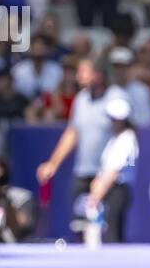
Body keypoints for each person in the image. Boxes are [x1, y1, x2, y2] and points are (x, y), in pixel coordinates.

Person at [36, 58, 129, 239]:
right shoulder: (81, 99)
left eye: (83, 71)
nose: (78, 77)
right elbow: (73, 132)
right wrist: (53, 163)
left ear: (99, 74)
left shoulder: (117, 97)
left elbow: (124, 137)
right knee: (80, 229)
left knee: (110, 233)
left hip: (111, 177)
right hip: (83, 173)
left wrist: (107, 175)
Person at [86, 96, 140, 243]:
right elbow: (105, 168)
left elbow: (113, 171)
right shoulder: (115, 139)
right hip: (109, 189)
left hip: (116, 190)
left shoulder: (126, 139)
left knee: (113, 235)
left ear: (122, 120)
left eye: (114, 119)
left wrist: (96, 195)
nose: (111, 122)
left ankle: (114, 266)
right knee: (108, 232)